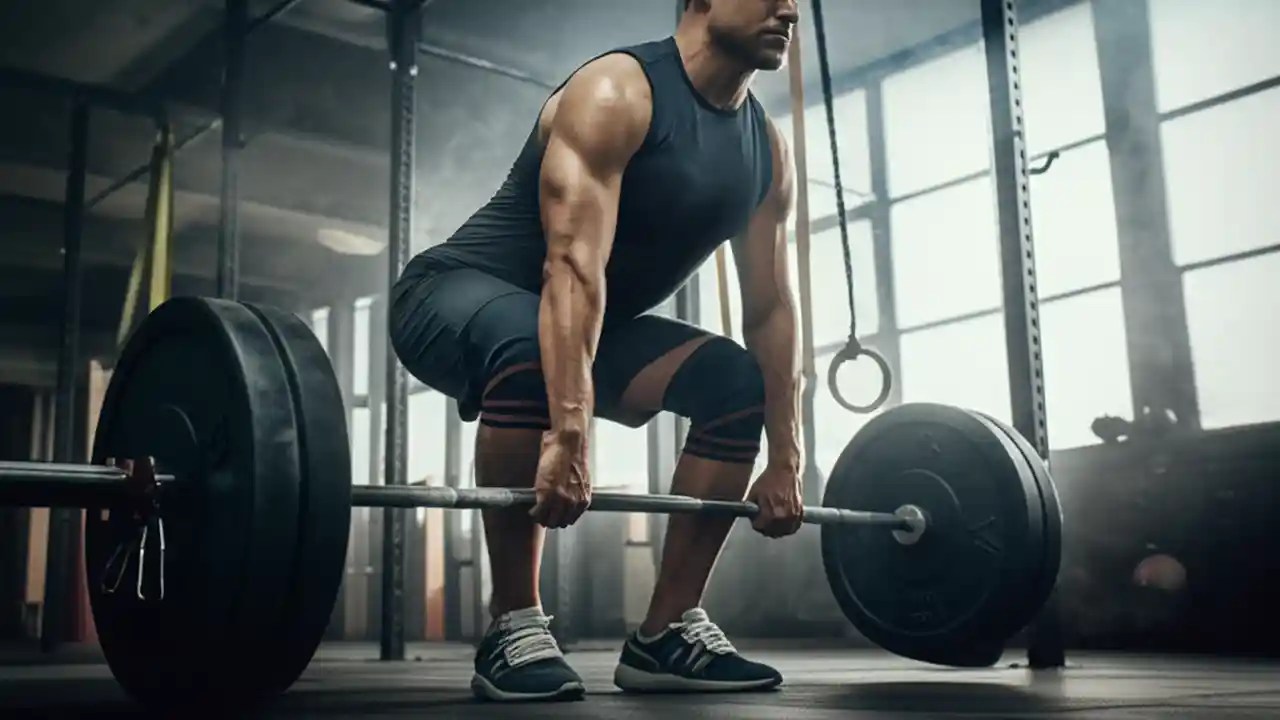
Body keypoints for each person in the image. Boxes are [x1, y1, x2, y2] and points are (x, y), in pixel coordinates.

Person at [390, 0, 803, 702]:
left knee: (734, 382)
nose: (789, 8)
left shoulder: (765, 148)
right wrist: (570, 433)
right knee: (525, 337)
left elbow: (769, 310)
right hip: (450, 298)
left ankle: (666, 633)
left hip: (580, 325)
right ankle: (513, 622)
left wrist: (786, 456)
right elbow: (571, 267)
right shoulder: (617, 92)